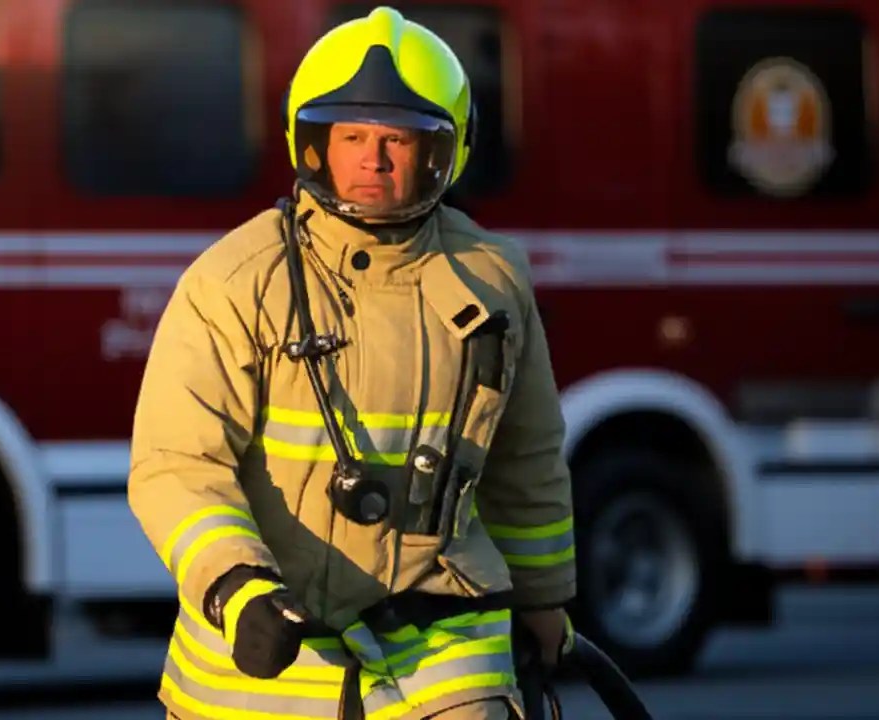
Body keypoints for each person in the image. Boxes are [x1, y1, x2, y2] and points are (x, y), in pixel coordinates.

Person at [128, 7, 575, 719]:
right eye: (352, 137)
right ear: (311, 146)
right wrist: (237, 588)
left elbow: (527, 459)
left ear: (444, 153)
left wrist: (546, 599)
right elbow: (177, 466)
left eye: (397, 139)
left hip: (445, 649)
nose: (373, 160)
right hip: (266, 665)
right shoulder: (235, 280)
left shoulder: (493, 280)